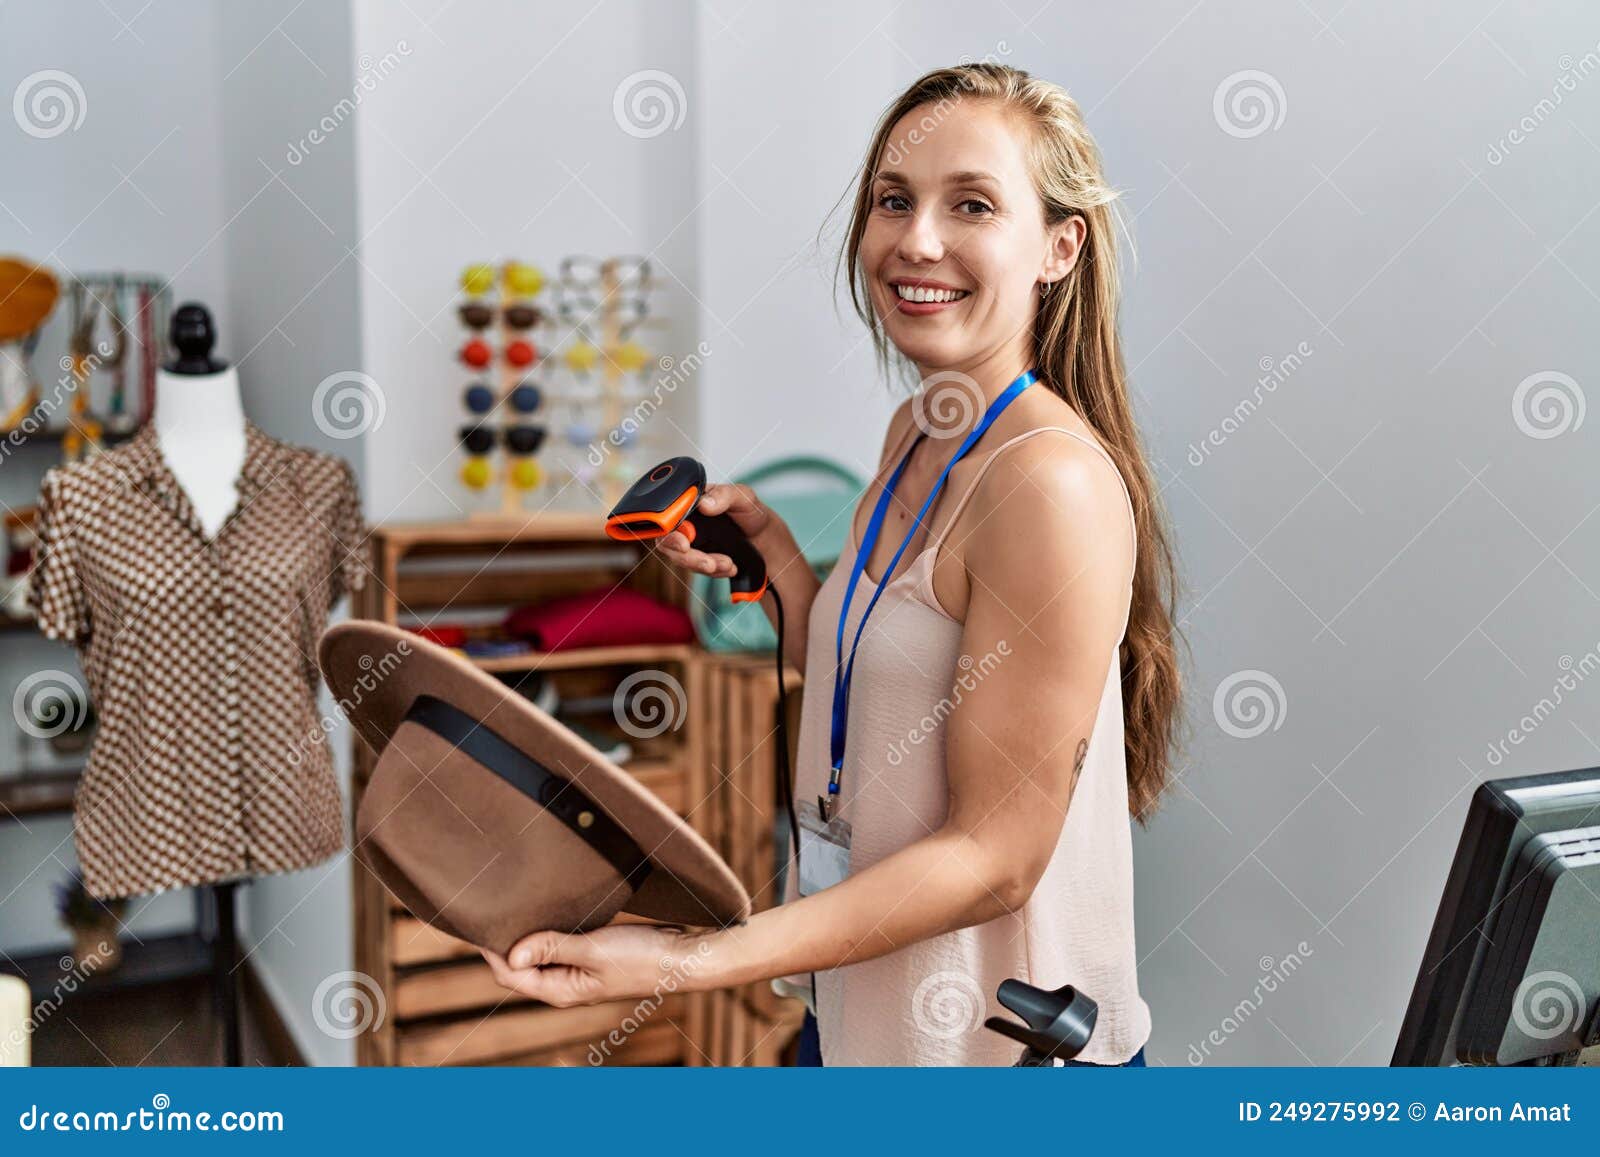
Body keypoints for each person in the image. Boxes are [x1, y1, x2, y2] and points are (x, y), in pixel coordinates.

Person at [483, 62, 1183, 1067]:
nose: (915, 239)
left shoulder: (1049, 485)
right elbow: (896, 701)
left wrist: (681, 962)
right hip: (859, 1016)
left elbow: (995, 860)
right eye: (892, 200)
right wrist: (779, 567)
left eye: (971, 203)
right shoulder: (921, 426)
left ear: (1057, 247)